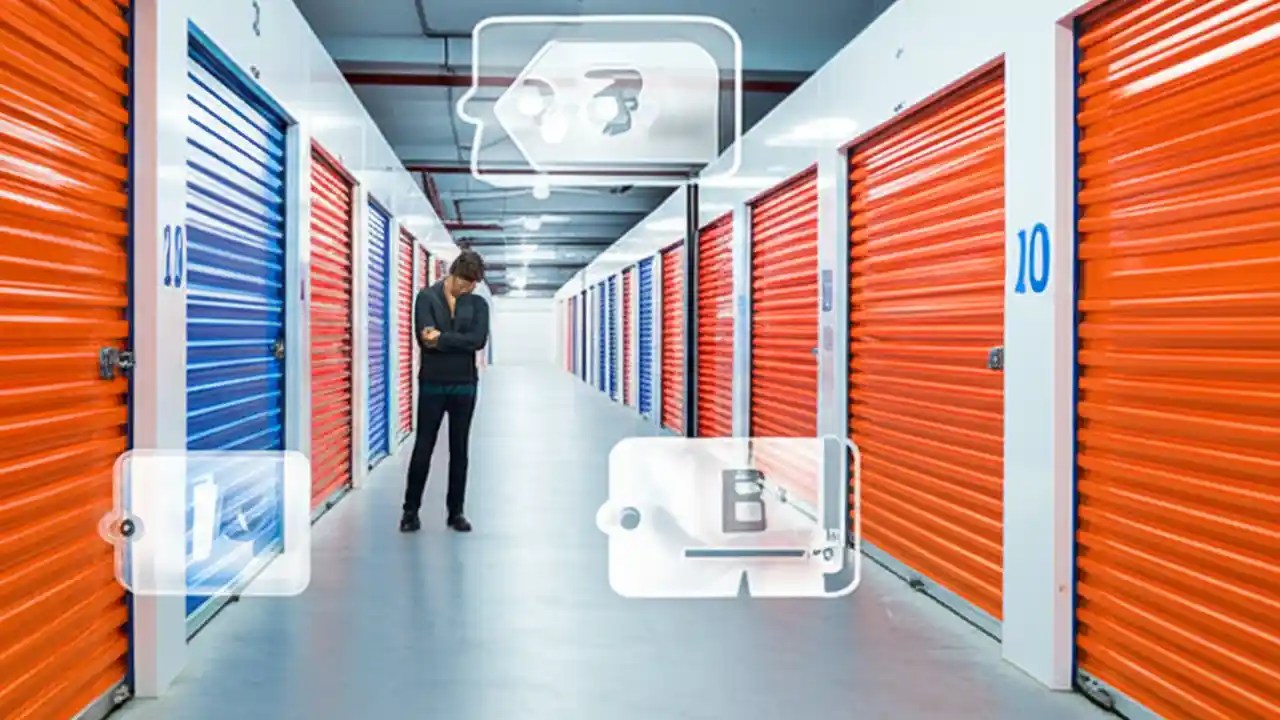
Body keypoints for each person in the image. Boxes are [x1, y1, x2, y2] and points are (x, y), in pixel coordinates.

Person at [400, 249, 490, 533]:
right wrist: (451, 340)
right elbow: (425, 339)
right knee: (423, 447)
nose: (468, 287)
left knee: (459, 450)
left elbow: (477, 341)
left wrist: (443, 338)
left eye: (473, 284)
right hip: (432, 383)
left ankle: (456, 513)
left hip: (465, 384)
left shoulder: (477, 304)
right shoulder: (426, 298)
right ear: (453, 274)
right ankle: (410, 511)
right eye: (464, 281)